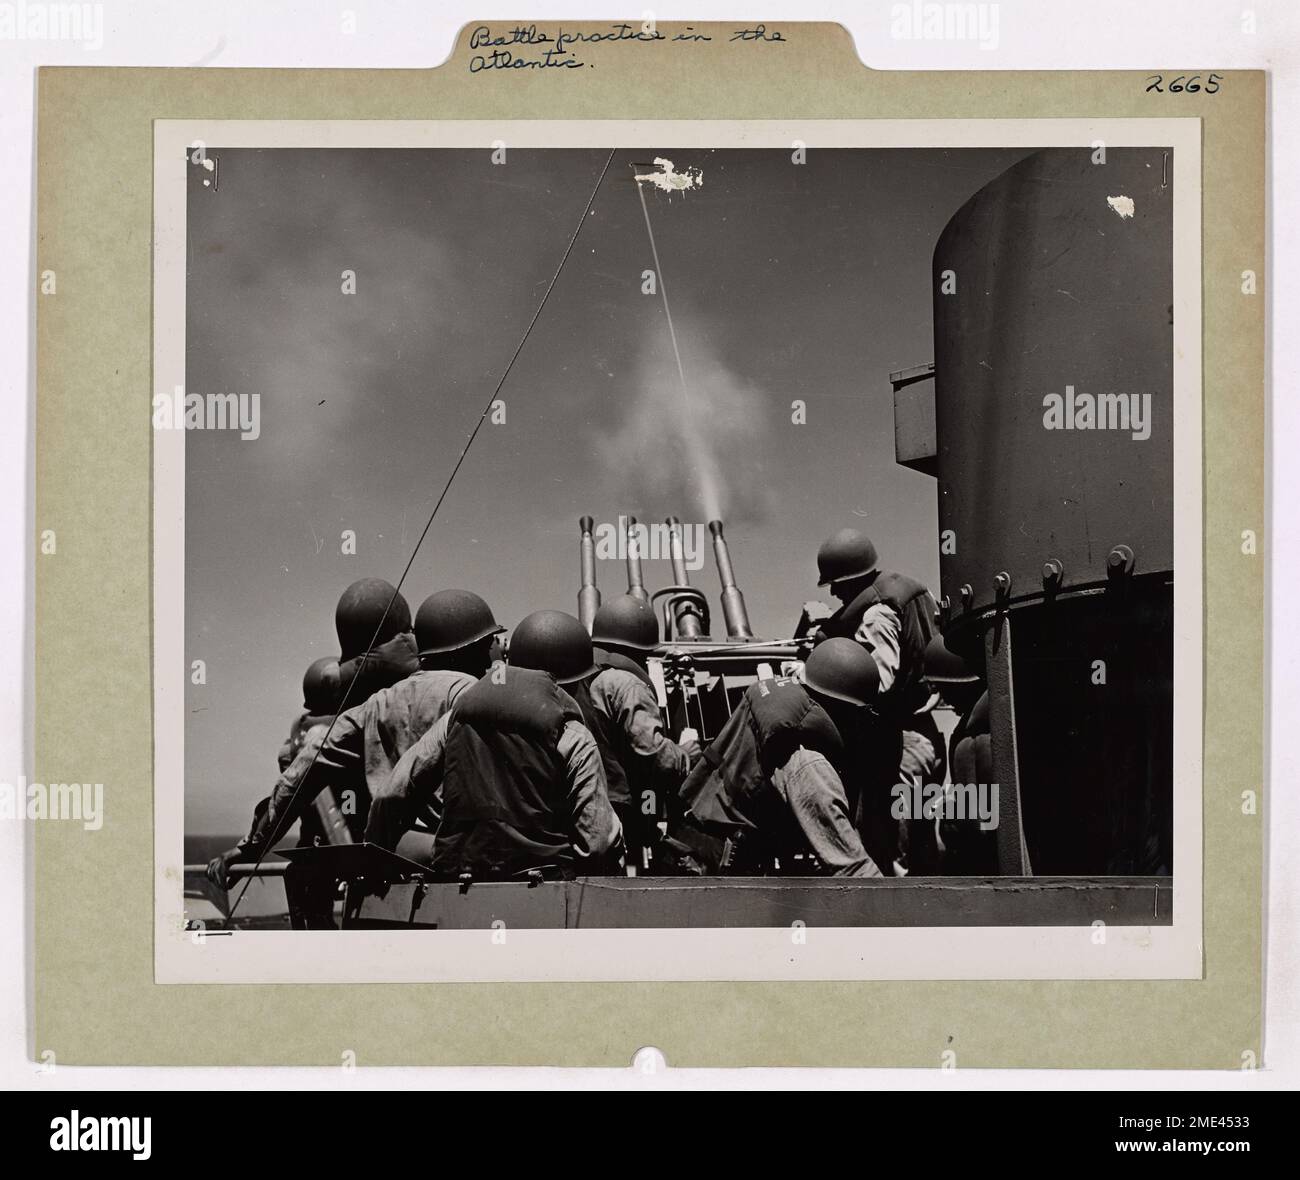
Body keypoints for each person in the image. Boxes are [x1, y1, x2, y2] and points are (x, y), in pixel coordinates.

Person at [206, 587, 500, 900]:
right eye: (484, 646)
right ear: (468, 648)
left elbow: (301, 774)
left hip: (390, 866)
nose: (488, 658)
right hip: (466, 870)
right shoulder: (479, 695)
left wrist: (250, 848)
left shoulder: (373, 705)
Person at [366, 613, 623, 880]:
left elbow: (391, 795)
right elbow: (598, 842)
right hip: (547, 890)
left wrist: (375, 859)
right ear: (571, 676)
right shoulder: (573, 735)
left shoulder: (456, 717)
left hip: (458, 883)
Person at [664, 638, 884, 878]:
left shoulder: (770, 709)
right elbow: (853, 868)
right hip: (725, 878)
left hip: (692, 853)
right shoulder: (808, 761)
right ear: (847, 710)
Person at [812, 528, 940, 871]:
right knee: (923, 846)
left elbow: (874, 686)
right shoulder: (914, 591)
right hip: (923, 732)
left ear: (851, 576)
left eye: (835, 583)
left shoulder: (877, 614)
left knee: (892, 857)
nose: (835, 592)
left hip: (899, 745)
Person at [588, 597, 700, 865]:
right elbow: (652, 754)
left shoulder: (582, 678)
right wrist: (686, 754)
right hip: (622, 812)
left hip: (592, 811)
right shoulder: (626, 683)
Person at [922, 633, 996, 874]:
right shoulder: (990, 723)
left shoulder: (973, 740)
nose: (943, 697)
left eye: (944, 687)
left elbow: (977, 828)